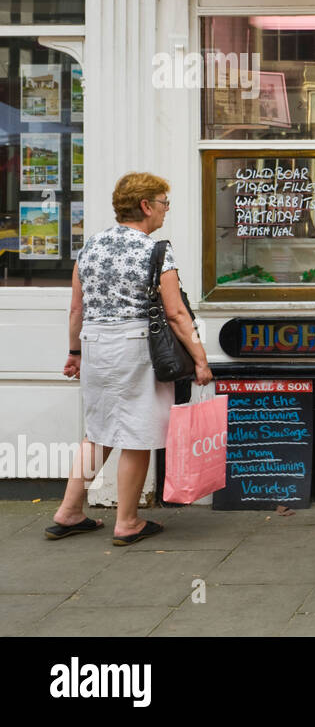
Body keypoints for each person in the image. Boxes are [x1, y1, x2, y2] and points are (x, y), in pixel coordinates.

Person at [47, 172, 212, 545]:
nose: (166, 211)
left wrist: (74, 353)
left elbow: (76, 308)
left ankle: (69, 512)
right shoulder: (154, 251)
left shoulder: (91, 245)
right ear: (145, 206)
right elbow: (176, 315)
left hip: (95, 343)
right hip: (135, 346)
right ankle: (128, 521)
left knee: (98, 432)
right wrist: (200, 359)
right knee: (138, 434)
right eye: (164, 203)